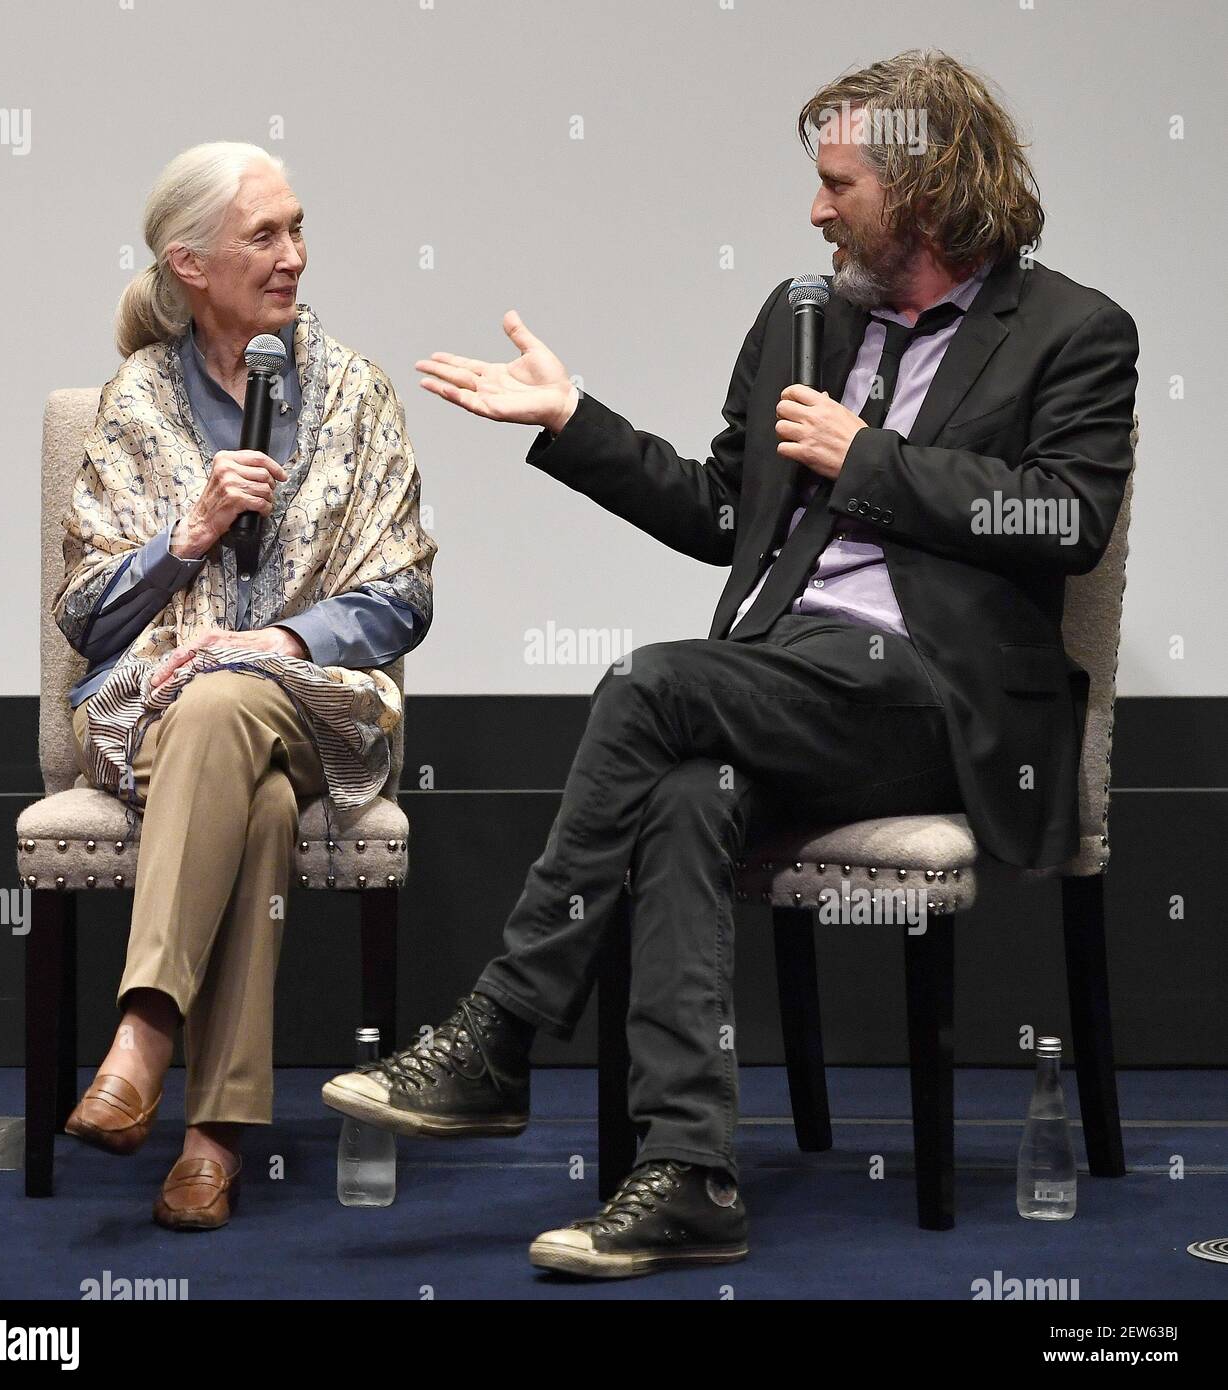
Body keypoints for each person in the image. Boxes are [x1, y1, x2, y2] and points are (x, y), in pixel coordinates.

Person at [321, 49, 1138, 1278]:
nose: (814, 210)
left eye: (838, 184)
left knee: (649, 683)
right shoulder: (804, 319)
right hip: (790, 682)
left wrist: (869, 460)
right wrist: (572, 421)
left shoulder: (1074, 331)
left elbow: (1064, 518)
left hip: (941, 701)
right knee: (685, 794)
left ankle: (501, 1030)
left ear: (924, 188)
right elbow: (722, 511)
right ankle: (691, 1176)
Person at [52, 141, 436, 1230]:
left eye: (297, 228)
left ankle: (143, 1033)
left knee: (227, 695)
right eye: (263, 236)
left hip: (316, 707)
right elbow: (83, 616)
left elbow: (403, 592)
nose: (293, 256)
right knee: (254, 798)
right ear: (190, 265)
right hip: (153, 713)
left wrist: (279, 641)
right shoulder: (135, 402)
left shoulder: (355, 392)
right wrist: (188, 535)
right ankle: (212, 1138)